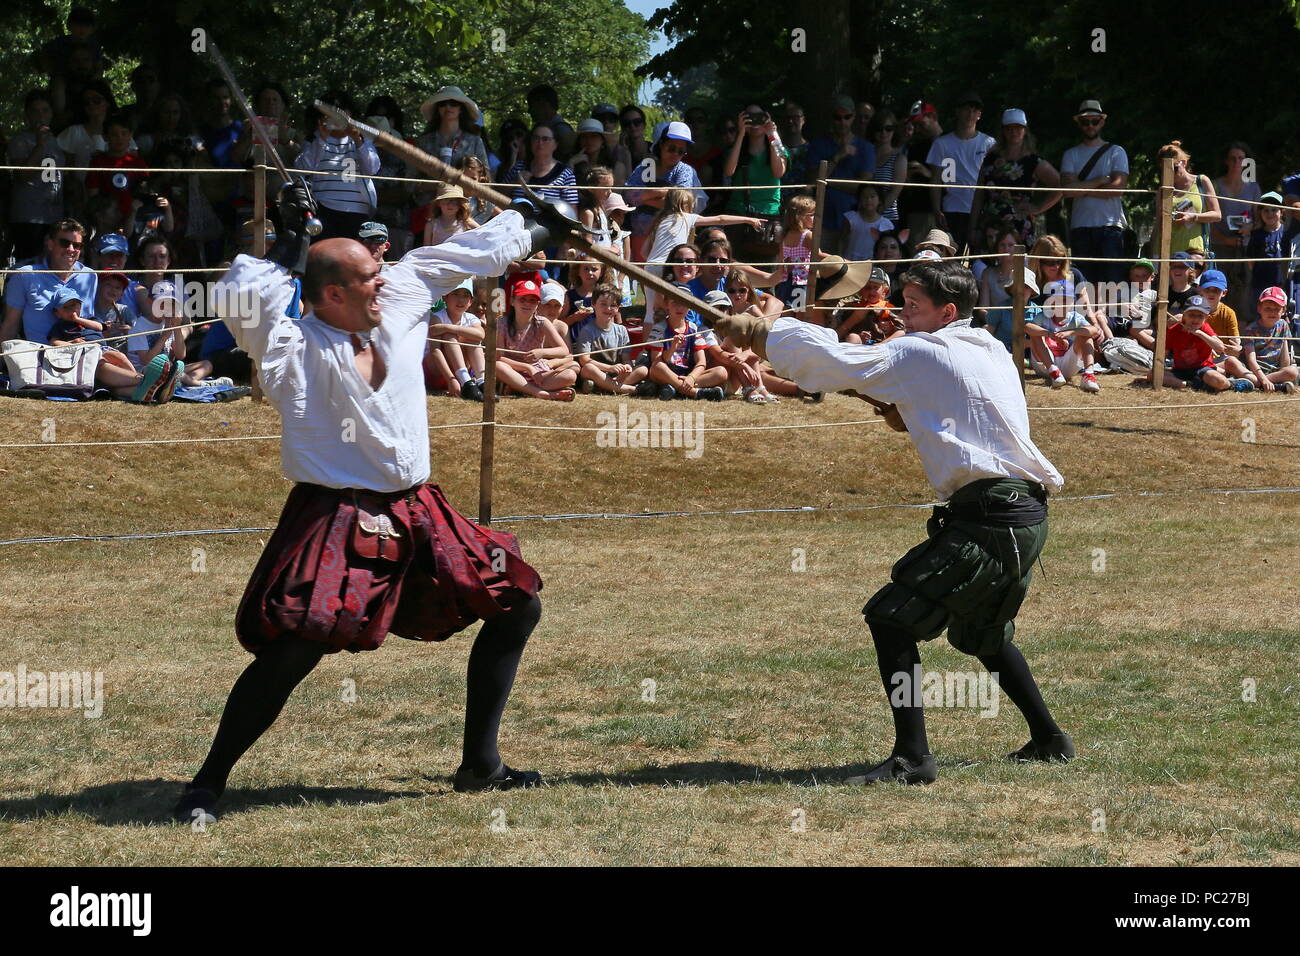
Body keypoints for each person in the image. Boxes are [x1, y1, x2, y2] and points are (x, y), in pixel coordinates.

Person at [171, 180, 571, 824]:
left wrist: (539, 223)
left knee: (516, 605)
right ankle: (206, 784)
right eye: (366, 277)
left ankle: (480, 765)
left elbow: (467, 255)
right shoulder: (289, 347)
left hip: (417, 506)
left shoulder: (405, 296)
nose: (383, 281)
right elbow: (243, 291)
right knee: (298, 644)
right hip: (338, 512)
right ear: (331, 294)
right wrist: (295, 233)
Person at [708, 260, 1071, 784]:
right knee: (982, 636)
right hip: (1018, 514)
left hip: (992, 515)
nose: (903, 313)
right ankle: (1050, 739)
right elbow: (951, 403)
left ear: (947, 312)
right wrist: (897, 402)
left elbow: (836, 361)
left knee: (891, 618)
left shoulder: (922, 350)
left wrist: (762, 331)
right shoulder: (988, 347)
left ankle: (913, 759)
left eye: (914, 305)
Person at [1059, 99, 1129, 286]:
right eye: (1085, 122)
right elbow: (1066, 192)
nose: (1090, 125)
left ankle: (1114, 316)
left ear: (1102, 121)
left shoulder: (1116, 151)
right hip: (1080, 227)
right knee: (1084, 286)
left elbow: (1117, 189)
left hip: (1111, 227)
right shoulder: (1070, 154)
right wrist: (1099, 181)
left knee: (1113, 284)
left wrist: (1080, 187)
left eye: (1094, 121)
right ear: (1079, 124)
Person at [968, 109, 1060, 248]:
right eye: (1009, 128)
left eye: (1018, 128)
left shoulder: (1034, 162)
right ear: (1003, 131)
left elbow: (1060, 186)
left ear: (1025, 130)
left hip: (1019, 228)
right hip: (990, 227)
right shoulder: (990, 159)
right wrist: (973, 228)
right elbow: (979, 193)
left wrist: (1038, 208)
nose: (1014, 132)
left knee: (1018, 268)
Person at [296, 93, 380, 240]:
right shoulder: (314, 139)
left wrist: (358, 140)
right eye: (332, 113)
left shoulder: (361, 139)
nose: (338, 119)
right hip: (324, 209)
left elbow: (372, 168)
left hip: (357, 210)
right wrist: (322, 139)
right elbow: (302, 169)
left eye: (342, 114)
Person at [805, 95, 875, 252]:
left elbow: (864, 188)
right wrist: (837, 157)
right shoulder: (818, 145)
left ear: (853, 117)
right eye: (838, 117)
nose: (842, 122)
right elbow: (812, 179)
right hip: (822, 220)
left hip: (855, 223)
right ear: (831, 118)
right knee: (820, 271)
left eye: (847, 117)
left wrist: (827, 181)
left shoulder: (866, 148)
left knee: (849, 272)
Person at [926, 93, 995, 247]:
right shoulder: (942, 143)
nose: (970, 114)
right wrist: (937, 210)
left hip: (981, 211)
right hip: (951, 209)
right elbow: (936, 179)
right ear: (958, 111)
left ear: (979, 115)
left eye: (974, 110)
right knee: (952, 256)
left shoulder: (989, 143)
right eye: (966, 109)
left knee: (980, 256)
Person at [495, 273, 579, 400]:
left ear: (537, 304)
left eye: (532, 300)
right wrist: (527, 367)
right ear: (512, 301)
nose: (527, 304)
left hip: (538, 372)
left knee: (570, 375)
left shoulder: (542, 322)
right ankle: (540, 393)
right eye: (522, 299)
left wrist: (541, 352)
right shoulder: (502, 323)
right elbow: (500, 357)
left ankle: (520, 388)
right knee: (497, 366)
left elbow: (564, 350)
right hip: (513, 369)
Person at [7, 90, 67, 263]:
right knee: (28, 263)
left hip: (54, 214)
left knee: (51, 263)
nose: (40, 115)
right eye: (35, 111)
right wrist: (39, 145)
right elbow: (22, 175)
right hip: (28, 215)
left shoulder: (59, 140)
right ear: (27, 114)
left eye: (45, 110)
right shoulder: (20, 140)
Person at [1153, 294, 1250, 392]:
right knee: (1153, 375)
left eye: (1200, 316)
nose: (1195, 319)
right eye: (1191, 315)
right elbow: (1163, 353)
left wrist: (1200, 333)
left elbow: (1220, 348)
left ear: (1206, 317)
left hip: (1203, 369)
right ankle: (1191, 384)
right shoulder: (1174, 330)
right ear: (1184, 314)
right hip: (1180, 370)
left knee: (1218, 381)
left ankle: (1232, 384)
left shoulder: (1205, 328)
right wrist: (1157, 371)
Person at [646, 284, 727, 400]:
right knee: (657, 368)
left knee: (721, 372)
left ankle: (674, 389)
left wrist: (691, 378)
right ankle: (696, 393)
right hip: (665, 374)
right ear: (667, 304)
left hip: (687, 375)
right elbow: (656, 361)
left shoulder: (693, 329)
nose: (680, 307)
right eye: (675, 302)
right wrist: (673, 347)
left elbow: (701, 362)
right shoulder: (659, 328)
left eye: (684, 303)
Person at [1211, 142, 1260, 319]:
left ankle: (1242, 331)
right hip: (1220, 245)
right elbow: (1209, 219)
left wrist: (1250, 226)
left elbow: (1259, 218)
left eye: (1241, 158)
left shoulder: (1253, 187)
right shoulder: (1216, 185)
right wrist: (1225, 239)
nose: (1237, 162)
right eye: (1233, 158)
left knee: (1244, 288)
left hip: (1245, 247)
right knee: (1220, 286)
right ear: (1226, 161)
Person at [575, 283, 648, 395]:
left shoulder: (621, 330)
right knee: (588, 368)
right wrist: (610, 368)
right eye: (603, 304)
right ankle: (631, 389)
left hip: (616, 375)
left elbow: (626, 358)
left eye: (613, 305)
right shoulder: (587, 330)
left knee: (643, 369)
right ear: (593, 304)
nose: (608, 309)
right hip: (598, 371)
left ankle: (606, 387)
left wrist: (627, 367)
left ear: (618, 307)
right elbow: (584, 360)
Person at [723, 104, 788, 222]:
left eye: (759, 117)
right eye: (749, 117)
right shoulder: (736, 148)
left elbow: (778, 172)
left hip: (769, 214)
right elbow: (729, 172)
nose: (755, 121)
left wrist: (771, 134)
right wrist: (741, 132)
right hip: (739, 213)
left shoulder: (778, 147)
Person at [424, 277, 486, 400]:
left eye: (465, 296)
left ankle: (482, 382)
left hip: (460, 373)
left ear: (471, 301)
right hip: (438, 372)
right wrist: (450, 379)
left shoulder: (471, 318)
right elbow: (435, 351)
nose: (460, 300)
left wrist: (448, 327)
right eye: (455, 294)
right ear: (445, 297)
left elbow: (480, 335)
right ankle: (466, 383)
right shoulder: (437, 317)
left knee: (472, 338)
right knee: (449, 337)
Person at [1156, 141, 1221, 255]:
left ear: (1184, 163)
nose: (1170, 173)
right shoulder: (1163, 190)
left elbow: (1217, 215)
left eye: (1174, 168)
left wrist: (1193, 217)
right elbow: (1158, 225)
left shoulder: (1201, 181)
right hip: (1167, 252)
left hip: (1194, 251)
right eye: (1164, 170)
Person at [1241, 287, 1299, 393]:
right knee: (1244, 372)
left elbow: (1284, 352)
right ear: (1259, 308)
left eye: (1277, 309)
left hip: (1274, 370)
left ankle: (1260, 384)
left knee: (1293, 371)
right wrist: (1263, 378)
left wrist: (1285, 369)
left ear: (1283, 311)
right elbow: (1251, 360)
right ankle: (1265, 383)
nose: (1272, 312)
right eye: (1267, 308)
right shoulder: (1250, 330)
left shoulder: (1283, 325)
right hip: (1256, 369)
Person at [866, 109, 907, 227]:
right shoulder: (865, 155)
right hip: (862, 217)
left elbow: (894, 193)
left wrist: (875, 213)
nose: (883, 132)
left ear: (895, 130)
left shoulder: (899, 159)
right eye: (879, 128)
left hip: (888, 219)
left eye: (888, 128)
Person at [840, 184, 893, 262]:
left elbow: (883, 248)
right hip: (849, 261)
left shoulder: (885, 224)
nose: (868, 200)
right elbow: (842, 240)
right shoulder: (851, 218)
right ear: (859, 199)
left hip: (872, 264)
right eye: (864, 197)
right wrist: (840, 259)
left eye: (872, 196)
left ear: (880, 200)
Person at [526, 84, 575, 160]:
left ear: (543, 104)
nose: (529, 111)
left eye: (531, 105)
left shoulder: (562, 130)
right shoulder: (539, 128)